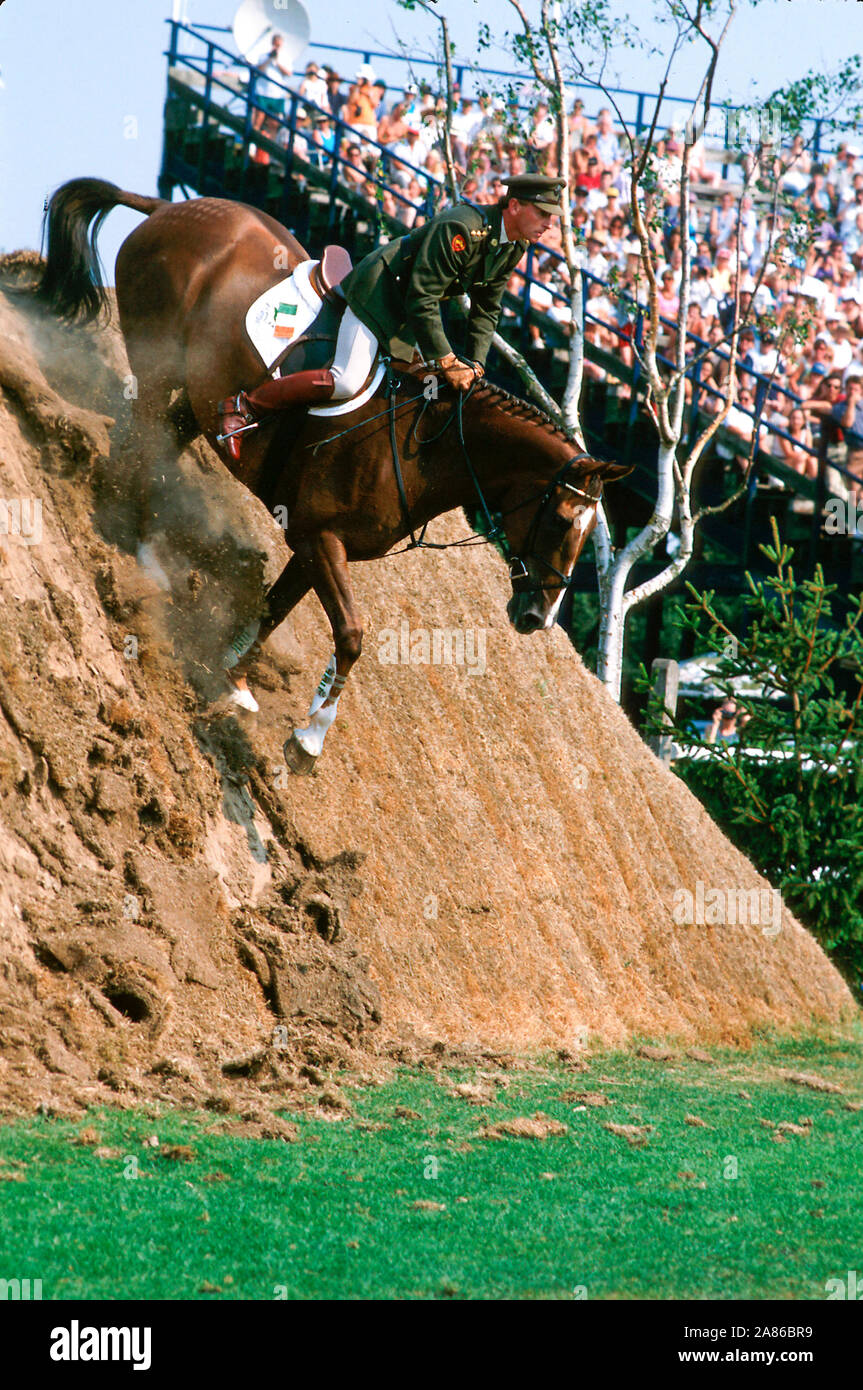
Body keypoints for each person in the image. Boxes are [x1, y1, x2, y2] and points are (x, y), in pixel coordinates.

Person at [218, 175, 568, 457]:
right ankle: (244, 407)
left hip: (407, 316)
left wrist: (475, 365)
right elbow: (423, 295)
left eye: (551, 217)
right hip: (378, 295)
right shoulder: (462, 228)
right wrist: (446, 360)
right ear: (515, 205)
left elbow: (487, 308)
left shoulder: (514, 244)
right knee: (346, 380)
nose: (549, 225)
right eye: (543, 214)